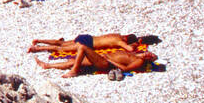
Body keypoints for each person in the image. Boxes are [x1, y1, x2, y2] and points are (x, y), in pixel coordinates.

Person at [34, 43, 156, 78]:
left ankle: (74, 71)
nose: (149, 53)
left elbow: (124, 69)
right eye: (150, 52)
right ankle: (47, 66)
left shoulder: (139, 62)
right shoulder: (137, 54)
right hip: (104, 58)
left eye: (151, 55)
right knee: (73, 60)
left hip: (105, 63)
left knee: (82, 48)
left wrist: (110, 60)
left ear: (148, 59)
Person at [28, 33, 156, 54]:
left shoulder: (117, 35)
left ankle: (38, 40)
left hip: (87, 37)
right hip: (88, 43)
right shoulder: (120, 41)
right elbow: (129, 49)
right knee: (60, 49)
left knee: (60, 43)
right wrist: (135, 45)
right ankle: (37, 49)